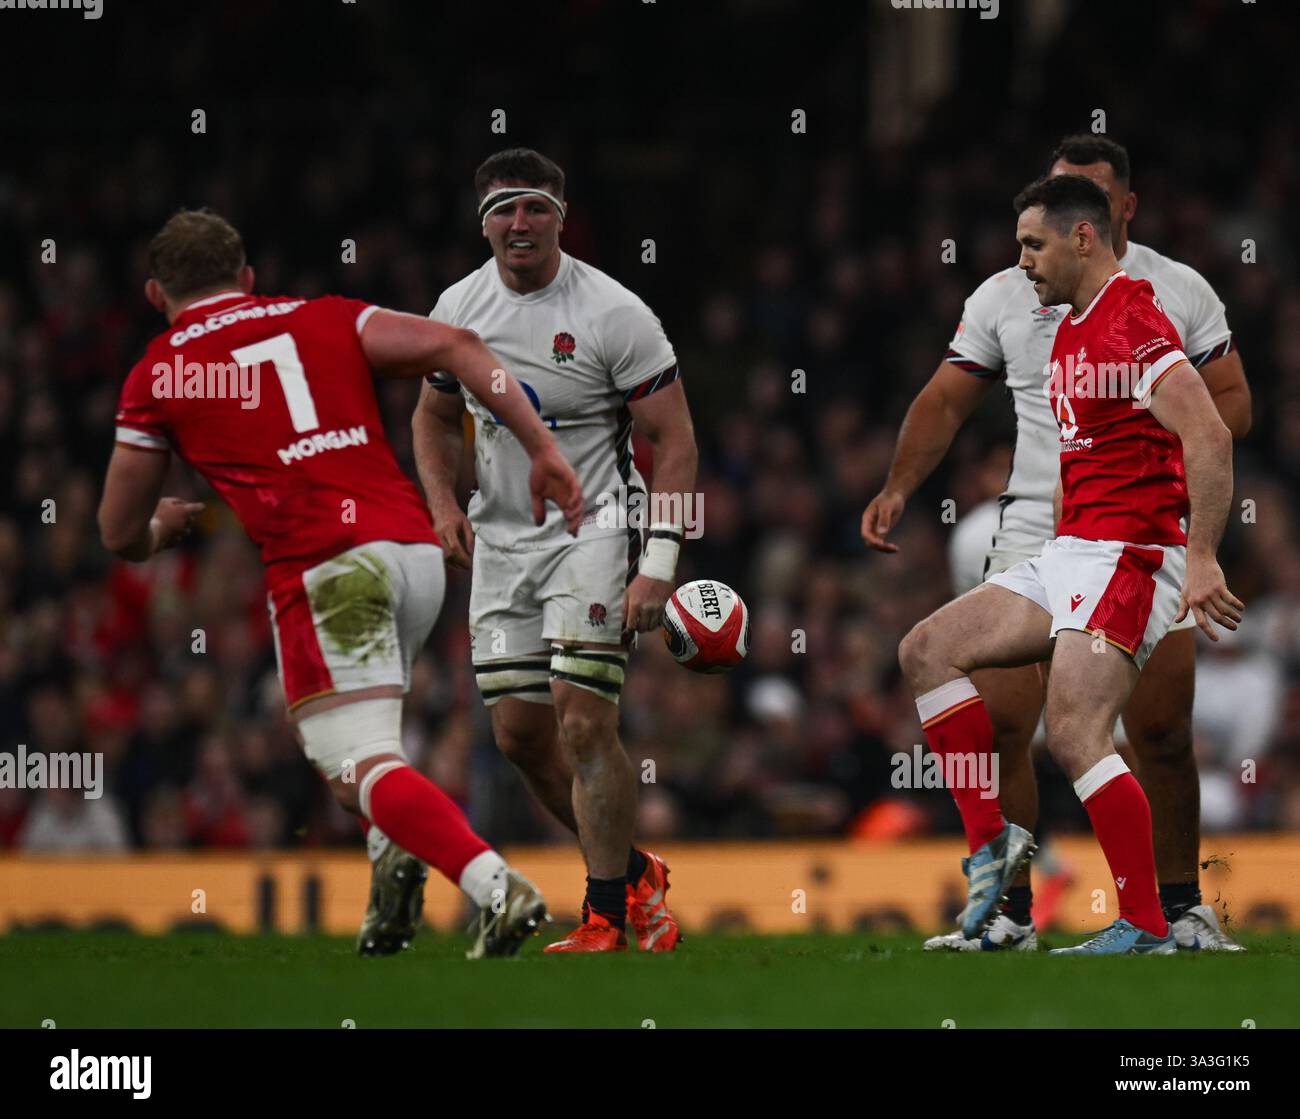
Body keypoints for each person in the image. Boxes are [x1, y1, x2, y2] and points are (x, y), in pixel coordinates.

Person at [98, 208, 584, 958]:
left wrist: (165, 527)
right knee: (351, 759)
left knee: (358, 763)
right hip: (415, 553)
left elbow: (116, 531)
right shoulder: (326, 317)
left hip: (328, 569)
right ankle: (392, 885)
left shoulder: (158, 371)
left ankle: (496, 887)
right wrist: (541, 445)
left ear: (156, 294)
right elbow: (459, 345)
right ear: (249, 279)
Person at [863, 136, 1250, 951]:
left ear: (1083, 236)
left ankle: (1152, 919)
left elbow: (1211, 431)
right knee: (926, 650)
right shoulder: (1069, 328)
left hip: (1133, 554)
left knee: (1080, 731)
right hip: (1070, 547)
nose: (1022, 262)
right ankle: (994, 854)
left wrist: (1203, 553)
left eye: (1032, 245)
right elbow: (1077, 460)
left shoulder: (1136, 319)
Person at [410, 148, 698, 952]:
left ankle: (605, 913)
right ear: (484, 224)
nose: (520, 223)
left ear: (562, 217)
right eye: (504, 210)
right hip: (501, 539)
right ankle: (636, 872)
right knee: (520, 737)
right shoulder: (458, 309)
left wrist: (659, 563)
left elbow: (673, 439)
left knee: (581, 722)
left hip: (593, 528)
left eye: (535, 207)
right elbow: (431, 417)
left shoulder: (614, 311)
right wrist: (441, 505)